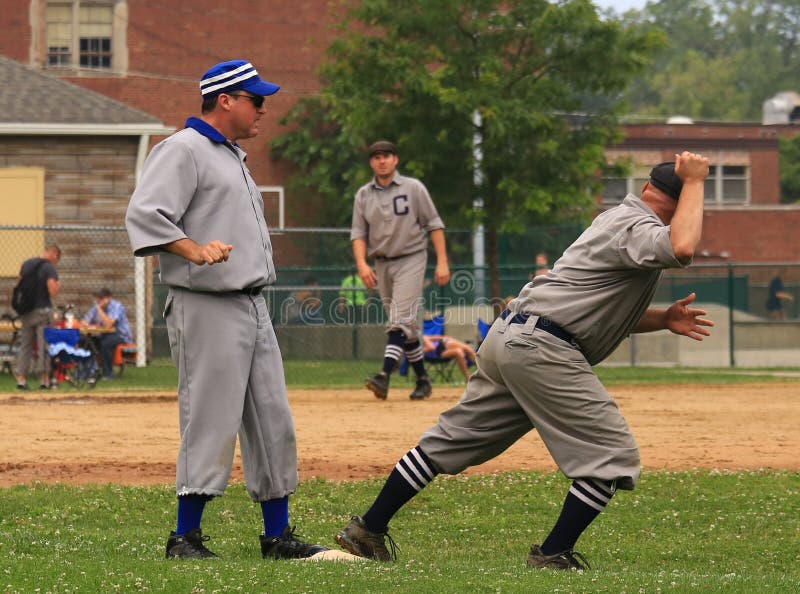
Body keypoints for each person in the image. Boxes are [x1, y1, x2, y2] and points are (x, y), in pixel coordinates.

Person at [334, 152, 714, 570]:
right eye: (692, 205)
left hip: (515, 336)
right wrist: (696, 181)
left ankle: (366, 528)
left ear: (646, 188)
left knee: (451, 440)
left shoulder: (618, 219)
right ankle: (553, 554)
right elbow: (683, 247)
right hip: (542, 347)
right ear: (678, 203)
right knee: (612, 455)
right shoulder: (637, 226)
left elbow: (591, 303)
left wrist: (662, 319)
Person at [125, 59, 327, 560]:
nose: (264, 109)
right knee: (210, 419)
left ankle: (276, 536)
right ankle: (184, 537)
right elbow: (145, 213)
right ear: (226, 100)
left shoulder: (231, 154)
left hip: (251, 304)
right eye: (256, 99)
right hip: (205, 305)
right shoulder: (183, 149)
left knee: (272, 418)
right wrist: (193, 249)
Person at [351, 140, 450, 400]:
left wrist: (442, 261)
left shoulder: (413, 188)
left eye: (386, 156)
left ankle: (383, 376)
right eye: (376, 157)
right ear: (371, 162)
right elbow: (359, 234)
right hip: (381, 263)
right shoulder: (363, 195)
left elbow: (434, 224)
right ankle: (423, 379)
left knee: (398, 320)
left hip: (412, 258)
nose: (381, 160)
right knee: (405, 326)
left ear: (395, 159)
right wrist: (362, 264)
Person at [14, 244, 61, 390]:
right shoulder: (48, 268)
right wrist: (58, 284)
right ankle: (44, 380)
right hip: (43, 311)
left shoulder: (27, 264)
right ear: (53, 254)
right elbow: (52, 292)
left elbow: (18, 285)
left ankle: (21, 380)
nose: (56, 262)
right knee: (44, 347)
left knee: (25, 346)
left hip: (26, 312)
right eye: (57, 259)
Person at [81, 287, 133, 380]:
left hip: (120, 335)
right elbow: (84, 322)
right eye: (98, 298)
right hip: (104, 334)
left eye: (101, 298)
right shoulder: (96, 307)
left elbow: (109, 325)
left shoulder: (116, 307)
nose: (99, 300)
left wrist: (100, 310)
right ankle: (90, 371)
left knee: (106, 343)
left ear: (108, 298)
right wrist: (90, 325)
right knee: (87, 342)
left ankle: (108, 373)